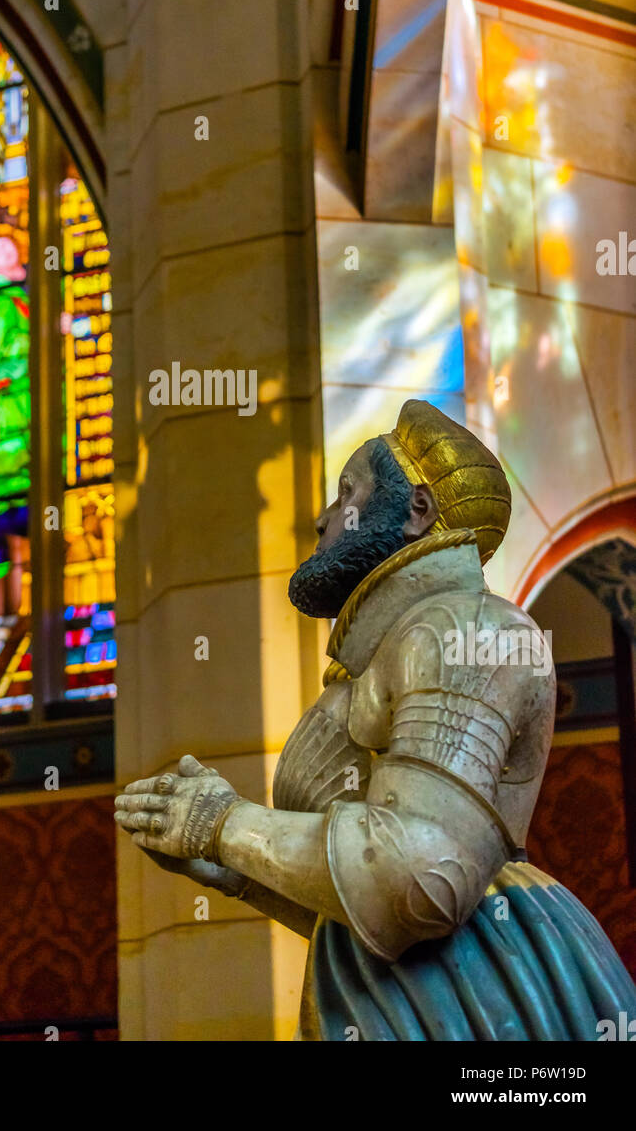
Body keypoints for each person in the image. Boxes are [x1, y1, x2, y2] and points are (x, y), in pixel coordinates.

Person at [115, 400, 636, 1040]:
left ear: (416, 510)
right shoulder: (393, 644)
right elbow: (368, 917)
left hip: (487, 993)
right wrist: (240, 872)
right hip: (411, 989)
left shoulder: (465, 630)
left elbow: (423, 881)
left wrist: (224, 825)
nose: (323, 518)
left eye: (347, 494)